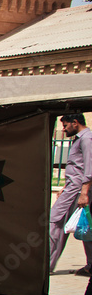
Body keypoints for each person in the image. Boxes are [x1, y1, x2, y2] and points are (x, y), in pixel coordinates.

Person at [49, 114, 92, 274]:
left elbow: (89, 167)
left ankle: (46, 265)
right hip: (73, 188)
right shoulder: (80, 139)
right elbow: (78, 168)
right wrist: (66, 186)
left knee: (55, 222)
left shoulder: (86, 139)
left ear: (75, 123)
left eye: (66, 125)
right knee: (84, 227)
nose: (64, 129)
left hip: (77, 191)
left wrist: (84, 192)